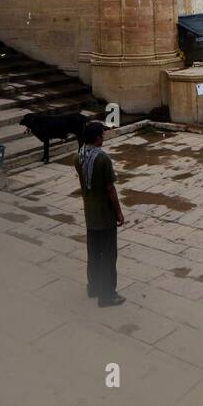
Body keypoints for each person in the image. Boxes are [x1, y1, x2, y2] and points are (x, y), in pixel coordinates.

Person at [76, 120, 125, 307]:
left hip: (90, 213)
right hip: (104, 215)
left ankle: (93, 287)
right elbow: (110, 189)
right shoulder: (102, 159)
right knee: (108, 256)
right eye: (102, 136)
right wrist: (119, 212)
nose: (103, 139)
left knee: (94, 253)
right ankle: (107, 295)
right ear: (97, 139)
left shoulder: (78, 156)